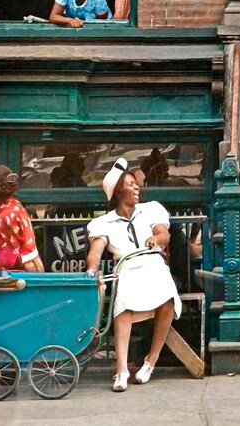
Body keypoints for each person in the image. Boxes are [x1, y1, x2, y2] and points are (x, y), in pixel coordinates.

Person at [85, 159, 182, 392]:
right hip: (127, 267)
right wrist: (92, 268)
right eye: (131, 184)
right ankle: (121, 370)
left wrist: (155, 240)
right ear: (119, 191)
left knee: (168, 298)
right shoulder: (103, 223)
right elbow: (95, 253)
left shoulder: (151, 209)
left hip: (153, 262)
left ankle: (151, 360)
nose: (137, 187)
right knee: (123, 305)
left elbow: (164, 234)